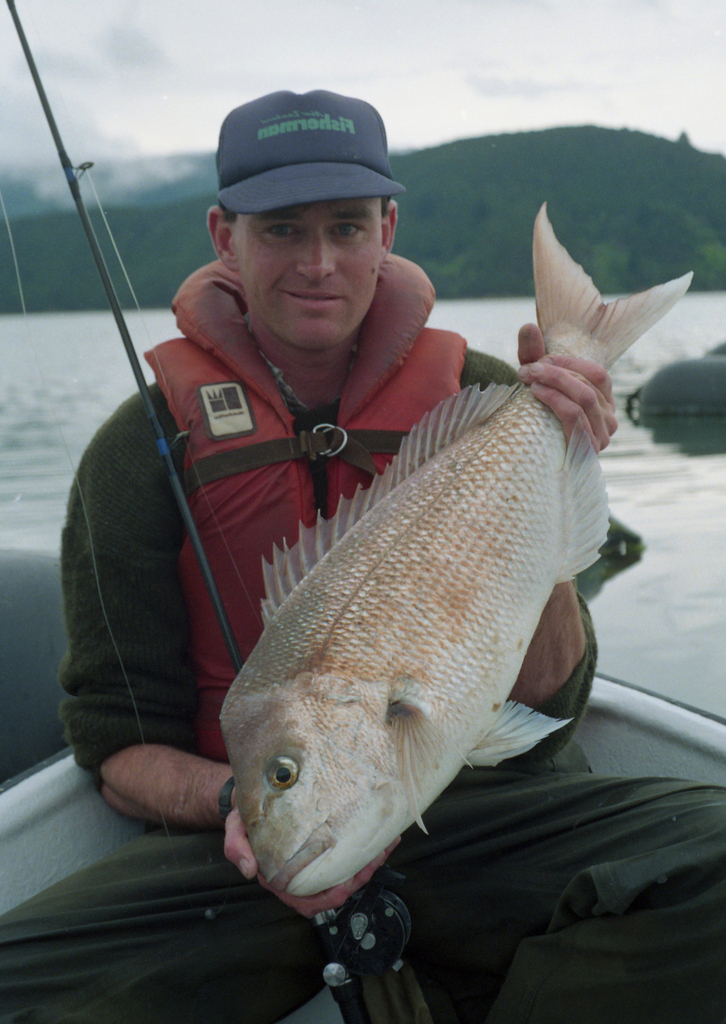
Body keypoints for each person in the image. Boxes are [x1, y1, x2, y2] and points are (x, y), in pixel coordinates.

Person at [0, 89, 724, 1024]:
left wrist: (558, 465)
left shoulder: (494, 397)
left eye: (346, 226)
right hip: (251, 852)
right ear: (225, 236)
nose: (319, 263)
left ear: (389, 227)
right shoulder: (135, 456)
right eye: (282, 230)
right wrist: (246, 804)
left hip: (487, 818)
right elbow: (113, 743)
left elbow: (552, 698)